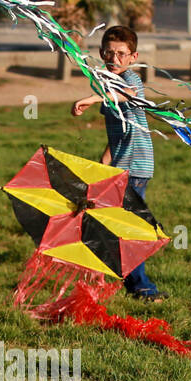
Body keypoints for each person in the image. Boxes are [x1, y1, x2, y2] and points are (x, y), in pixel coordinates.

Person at [71, 25, 166, 302]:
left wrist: (91, 98)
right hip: (120, 166)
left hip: (136, 169)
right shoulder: (107, 86)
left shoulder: (132, 81)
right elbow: (116, 134)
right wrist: (103, 165)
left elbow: (125, 96)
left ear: (133, 57)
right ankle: (120, 282)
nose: (115, 59)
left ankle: (141, 288)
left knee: (124, 228)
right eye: (110, 53)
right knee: (108, 224)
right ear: (102, 54)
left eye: (122, 54)